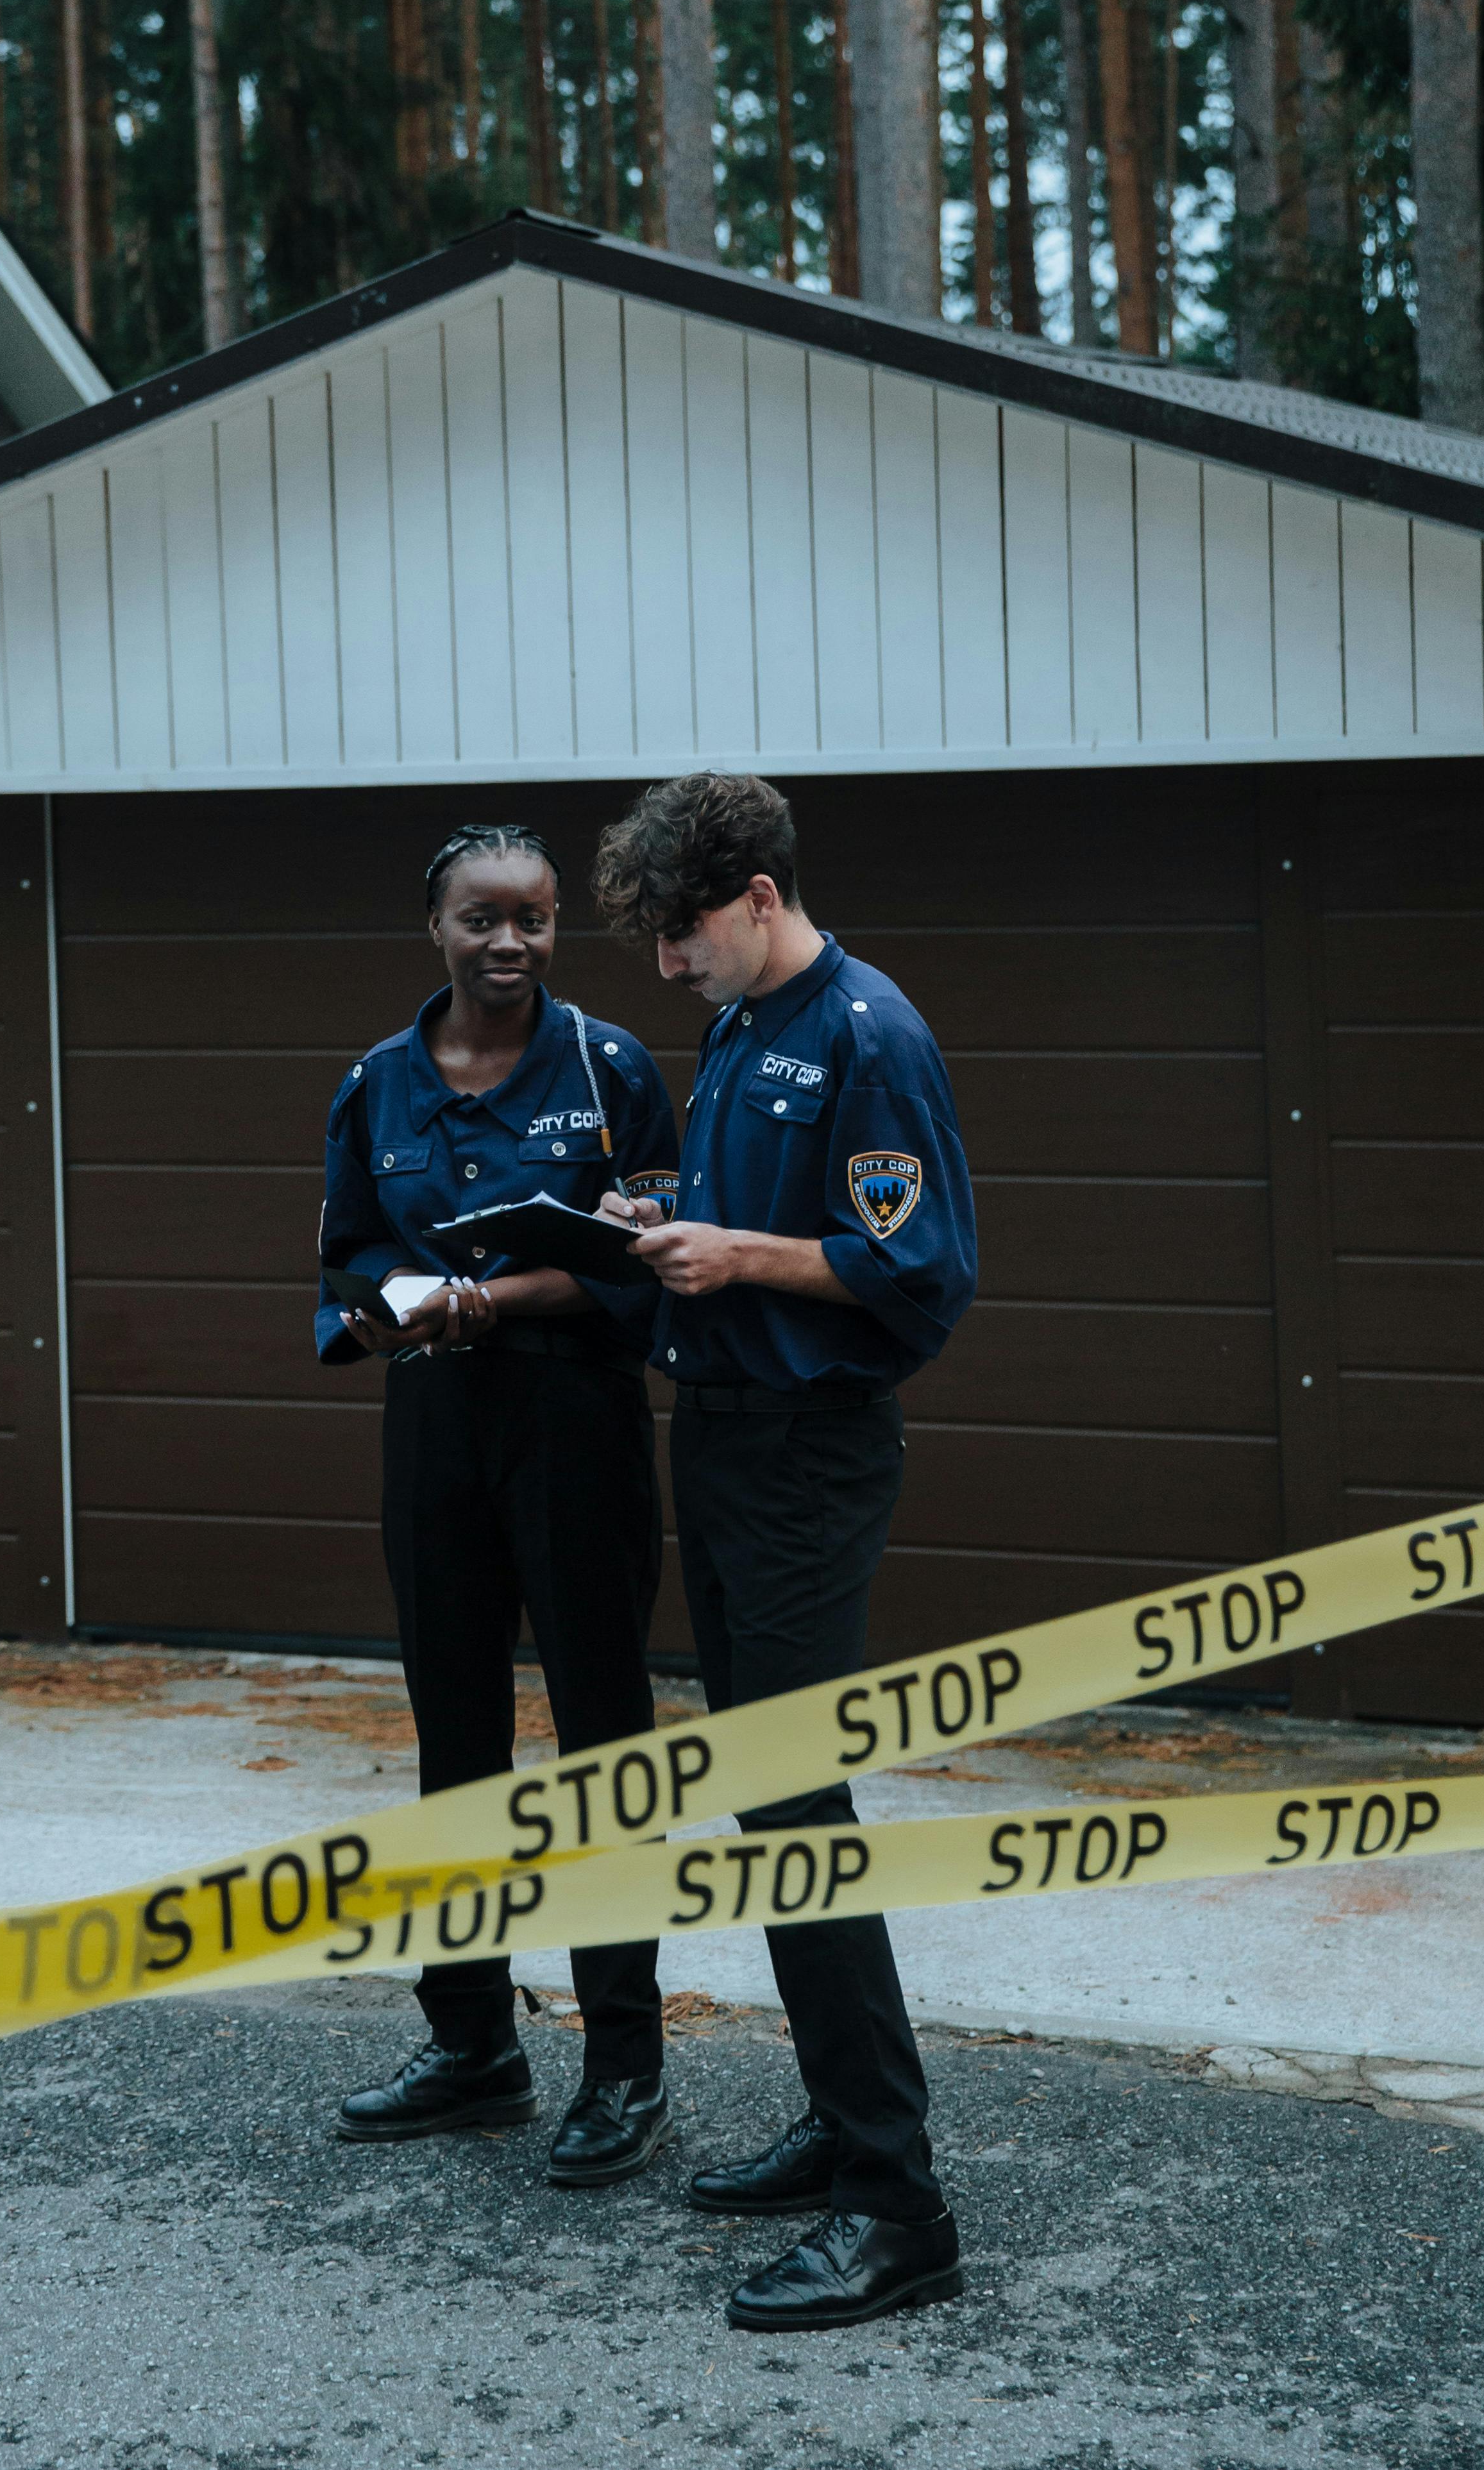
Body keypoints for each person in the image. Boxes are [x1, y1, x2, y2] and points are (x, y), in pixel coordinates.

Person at [590, 772, 977, 2333]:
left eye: (682, 934)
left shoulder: (868, 1033)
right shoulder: (745, 1023)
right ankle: (837, 2121)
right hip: (727, 1438)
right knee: (766, 1796)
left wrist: (736, 1253)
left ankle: (898, 2207)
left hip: (810, 1456)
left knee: (801, 1804)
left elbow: (921, 1273)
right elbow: (760, 1214)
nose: (665, 966)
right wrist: (662, 1215)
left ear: (756, 896)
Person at [316, 822, 682, 2187]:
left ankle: (623, 2064)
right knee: (453, 1735)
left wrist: (496, 1296)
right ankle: (470, 2042)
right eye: (482, 917)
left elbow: (645, 1260)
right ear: (435, 924)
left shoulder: (610, 1069)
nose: (510, 942)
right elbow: (349, 1251)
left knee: (601, 1740)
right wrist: (384, 1312)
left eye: (532, 917)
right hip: (434, 1422)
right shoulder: (372, 1085)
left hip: (574, 1423)